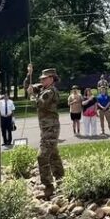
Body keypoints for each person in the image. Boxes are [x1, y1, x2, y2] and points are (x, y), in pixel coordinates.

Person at [26, 64, 64, 198]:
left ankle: (48, 185)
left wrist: (31, 95)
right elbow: (28, 86)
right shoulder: (43, 88)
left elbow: (38, 104)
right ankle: (61, 180)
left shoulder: (50, 91)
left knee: (42, 156)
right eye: (41, 79)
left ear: (51, 79)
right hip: (46, 128)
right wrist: (28, 74)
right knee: (53, 155)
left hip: (51, 128)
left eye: (44, 79)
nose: (41, 81)